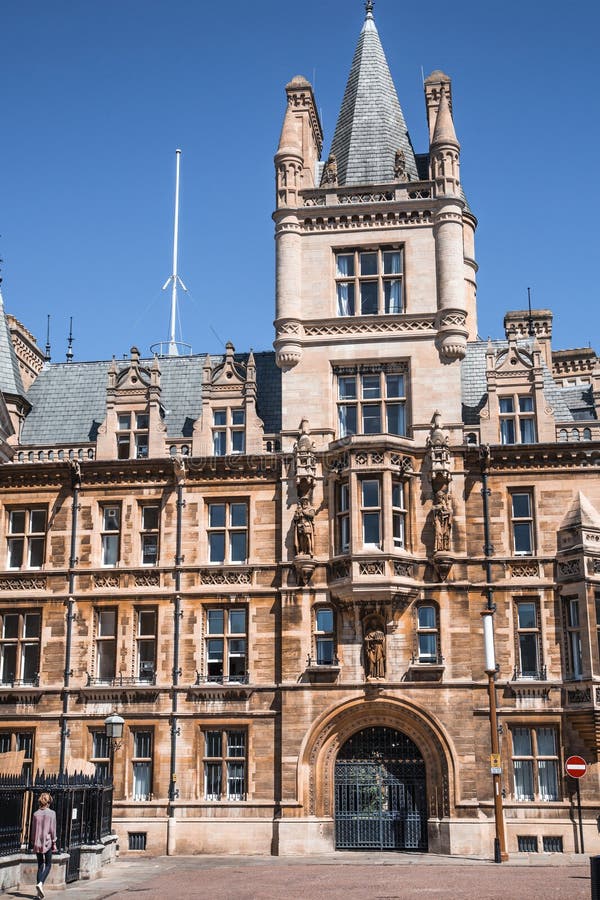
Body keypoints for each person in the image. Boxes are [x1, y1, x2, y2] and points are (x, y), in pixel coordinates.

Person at [32, 792, 57, 899]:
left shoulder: (35, 814)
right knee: (48, 865)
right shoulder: (52, 813)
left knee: (40, 865)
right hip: (47, 842)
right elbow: (52, 829)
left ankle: (39, 893)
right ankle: (41, 883)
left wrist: (33, 841)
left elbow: (33, 831)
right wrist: (54, 842)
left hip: (37, 842)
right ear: (49, 802)